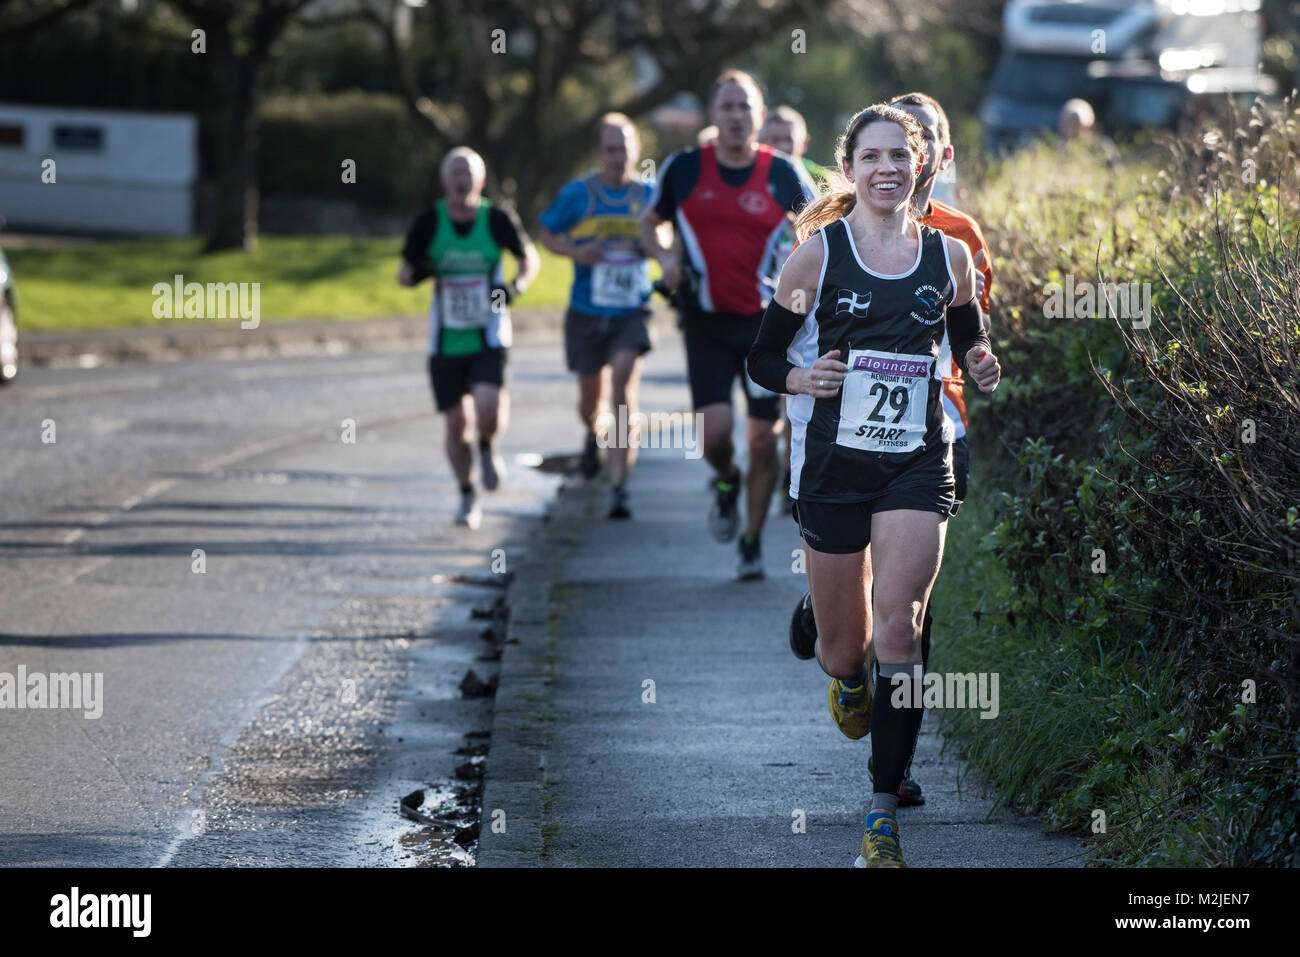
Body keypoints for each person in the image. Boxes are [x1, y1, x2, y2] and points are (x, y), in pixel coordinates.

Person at [746, 104, 1001, 866]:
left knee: (902, 628)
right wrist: (801, 373)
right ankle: (842, 670)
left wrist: (980, 363)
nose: (888, 168)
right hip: (833, 468)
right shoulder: (815, 257)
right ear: (850, 166)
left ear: (922, 163)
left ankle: (882, 811)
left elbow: (968, 337)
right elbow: (762, 359)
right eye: (873, 156)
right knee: (844, 649)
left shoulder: (949, 257)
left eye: (901, 155)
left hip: (916, 460)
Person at [639, 69, 815, 580]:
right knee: (715, 437)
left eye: (746, 108)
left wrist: (800, 270)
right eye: (727, 107)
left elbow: (820, 231)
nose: (736, 117)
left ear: (759, 117)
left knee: (764, 440)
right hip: (706, 323)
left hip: (767, 327)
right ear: (712, 116)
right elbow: (650, 222)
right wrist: (666, 258)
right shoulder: (684, 168)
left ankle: (751, 541)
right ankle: (725, 480)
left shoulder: (783, 173)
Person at [399, 147, 540, 530]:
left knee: (488, 405)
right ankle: (466, 493)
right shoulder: (430, 223)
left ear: (480, 180)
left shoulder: (496, 220)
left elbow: (529, 258)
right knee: (456, 425)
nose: (461, 180)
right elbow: (404, 272)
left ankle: (488, 444)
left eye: (469, 173)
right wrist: (422, 272)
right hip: (444, 339)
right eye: (454, 173)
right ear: (444, 181)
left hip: (490, 333)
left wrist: (516, 286)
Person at [539, 114, 653, 519]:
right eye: (609, 149)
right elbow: (547, 233)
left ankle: (619, 485)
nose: (616, 157)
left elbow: (670, 236)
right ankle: (592, 435)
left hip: (631, 310)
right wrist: (576, 252)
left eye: (623, 148)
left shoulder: (648, 195)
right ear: (597, 153)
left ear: (635, 151)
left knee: (622, 385)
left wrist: (654, 246)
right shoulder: (579, 193)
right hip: (587, 310)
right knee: (591, 401)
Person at [759, 105, 829, 513]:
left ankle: (791, 477)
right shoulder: (755, 176)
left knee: (795, 393)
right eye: (774, 140)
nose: (781, 148)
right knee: (761, 413)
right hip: (759, 302)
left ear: (802, 143)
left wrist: (804, 227)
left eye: (789, 140)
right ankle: (765, 471)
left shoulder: (818, 183)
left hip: (805, 306)